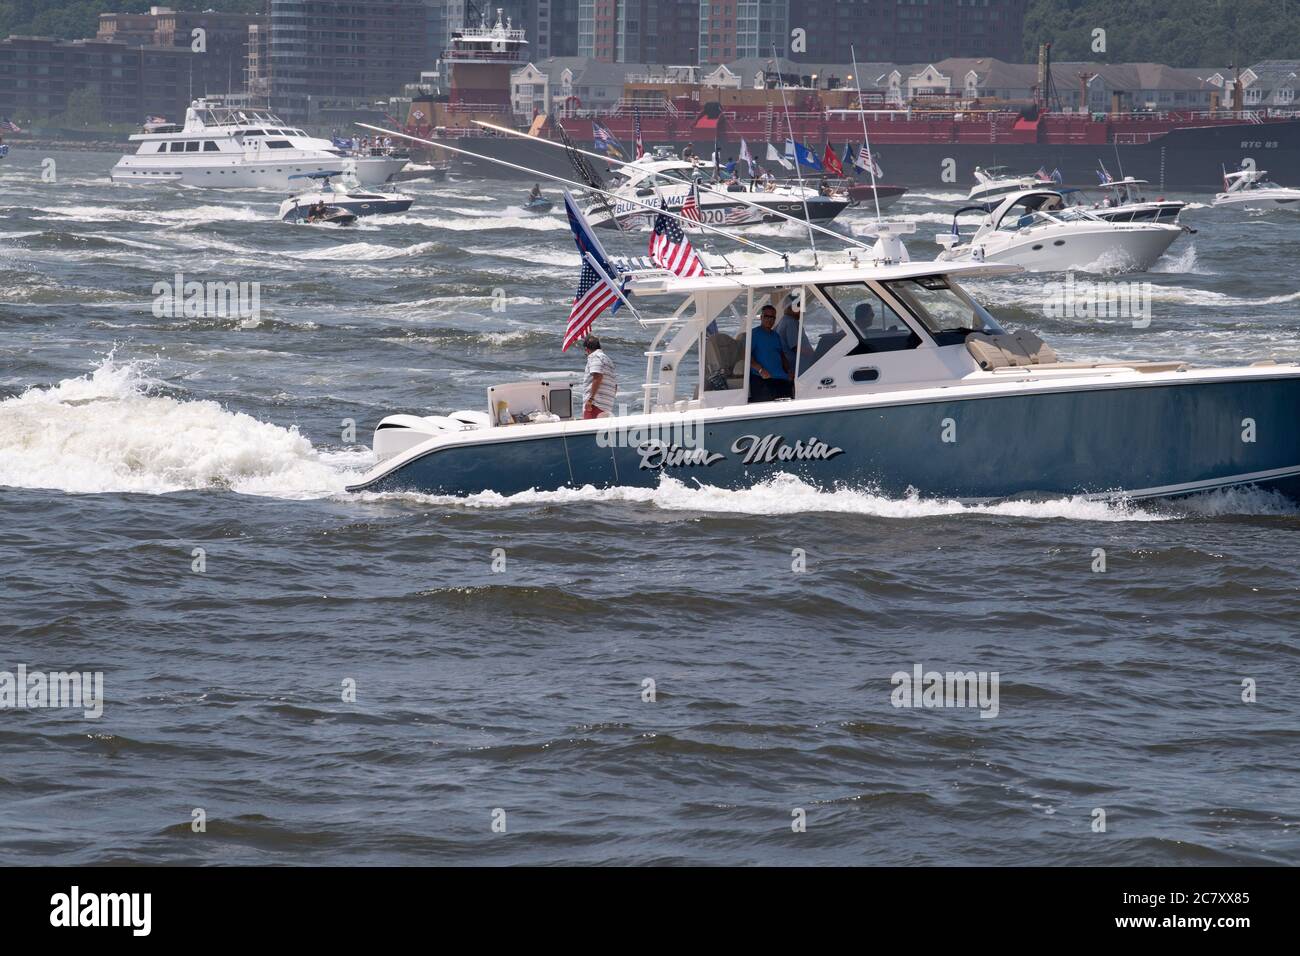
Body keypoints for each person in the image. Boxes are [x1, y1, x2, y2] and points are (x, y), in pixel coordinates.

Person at [748, 304, 792, 402]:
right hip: (764, 379)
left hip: (781, 379)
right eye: (766, 316)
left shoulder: (776, 335)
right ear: (761, 317)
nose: (769, 319)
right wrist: (760, 370)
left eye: (772, 317)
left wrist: (789, 371)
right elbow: (746, 356)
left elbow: (782, 355)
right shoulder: (754, 334)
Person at [775, 293, 812, 373]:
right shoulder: (791, 322)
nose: (801, 310)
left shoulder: (783, 321)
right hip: (795, 367)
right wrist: (815, 355)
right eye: (799, 306)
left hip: (789, 366)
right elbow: (796, 348)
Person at [582, 336, 616, 419]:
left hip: (595, 404)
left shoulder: (595, 357)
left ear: (587, 349)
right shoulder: (608, 360)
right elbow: (615, 385)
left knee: (589, 429)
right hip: (607, 405)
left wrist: (590, 400)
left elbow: (598, 376)